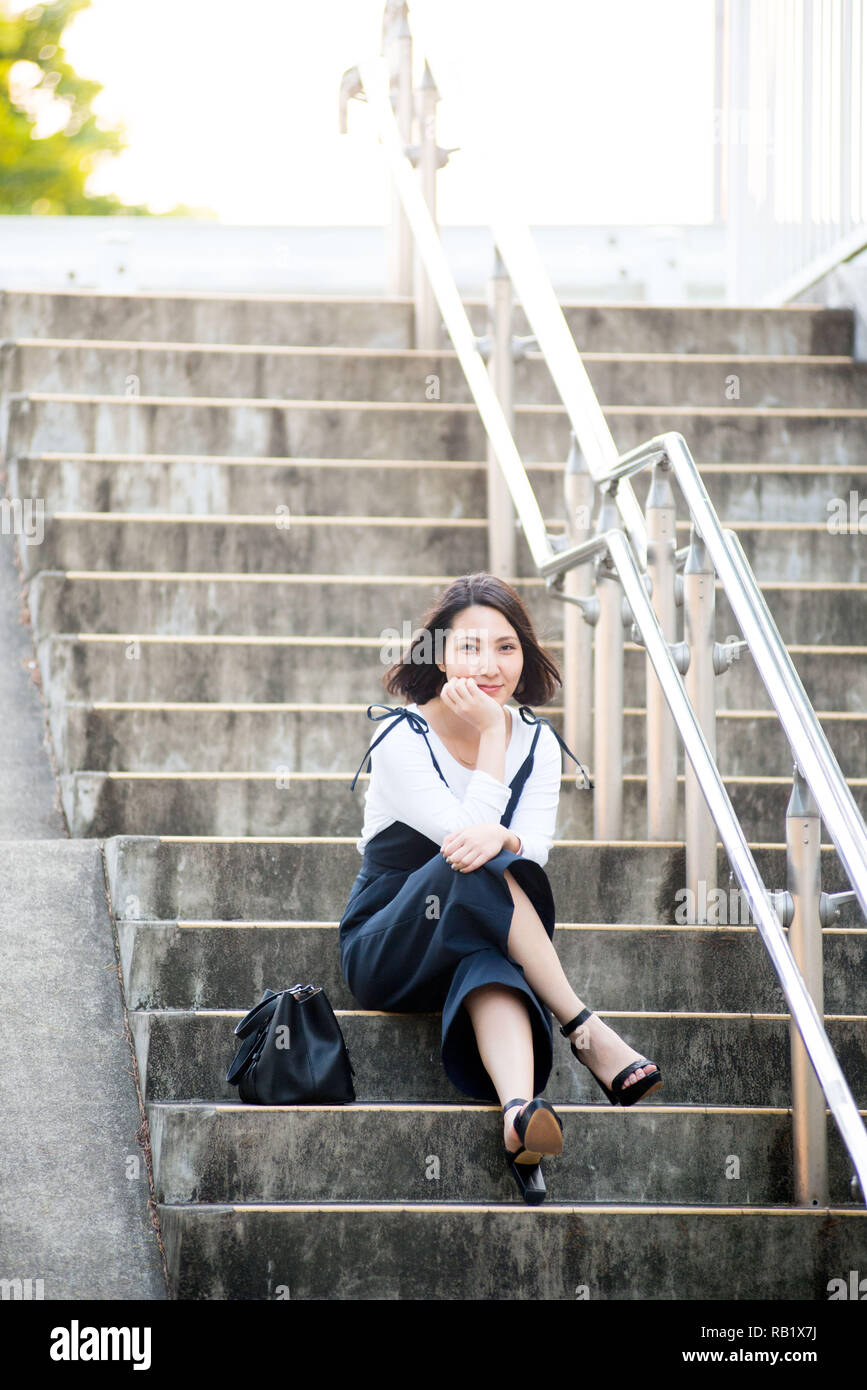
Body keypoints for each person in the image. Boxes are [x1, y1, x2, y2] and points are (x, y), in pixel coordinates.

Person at [339, 572, 662, 1204]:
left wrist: (506, 837)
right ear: (437, 653)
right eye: (470, 647)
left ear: (525, 653)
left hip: (473, 933)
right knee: (477, 865)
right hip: (390, 941)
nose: (490, 665)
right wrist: (491, 737)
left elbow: (533, 845)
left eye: (506, 647)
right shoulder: (400, 736)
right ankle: (585, 1027)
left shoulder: (537, 741)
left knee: (492, 962)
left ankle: (519, 1113)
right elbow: (462, 841)